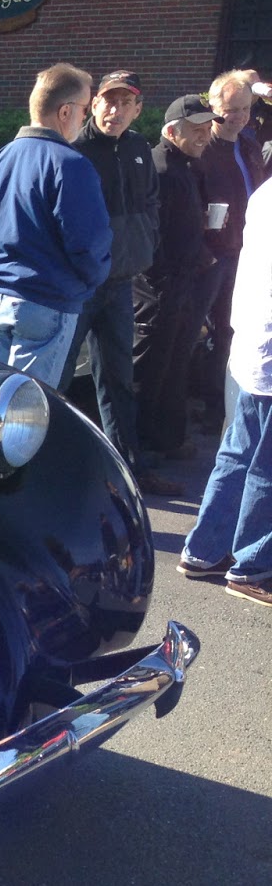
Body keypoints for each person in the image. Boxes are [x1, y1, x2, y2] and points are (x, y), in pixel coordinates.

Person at [0, 63, 111, 388]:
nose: (85, 118)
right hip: (46, 303)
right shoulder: (71, 165)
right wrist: (90, 282)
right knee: (28, 421)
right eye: (84, 110)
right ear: (65, 112)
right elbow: (88, 244)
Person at [71, 71, 171, 491]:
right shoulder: (74, 148)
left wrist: (146, 239)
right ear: (93, 104)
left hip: (120, 285)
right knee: (55, 378)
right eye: (107, 101)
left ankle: (127, 469)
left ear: (137, 108)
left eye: (124, 102)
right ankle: (44, 466)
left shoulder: (137, 149)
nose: (115, 110)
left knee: (118, 378)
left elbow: (150, 201)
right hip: (79, 285)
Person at [177, 175, 272, 606]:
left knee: (239, 453)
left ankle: (206, 550)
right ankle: (253, 565)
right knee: (264, 465)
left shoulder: (264, 192)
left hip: (253, 340)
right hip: (265, 346)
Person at [135, 94, 221, 464]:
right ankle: (141, 450)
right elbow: (152, 236)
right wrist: (167, 279)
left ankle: (166, 440)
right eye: (197, 130)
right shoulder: (160, 169)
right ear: (172, 131)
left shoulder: (183, 166)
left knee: (173, 368)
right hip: (159, 291)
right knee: (151, 371)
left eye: (207, 129)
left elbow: (175, 224)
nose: (205, 136)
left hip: (181, 285)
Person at [197, 70, 267, 432]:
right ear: (213, 106)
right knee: (200, 330)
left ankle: (219, 409)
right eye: (230, 108)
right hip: (211, 255)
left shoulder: (250, 146)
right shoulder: (203, 146)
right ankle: (204, 401)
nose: (237, 116)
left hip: (245, 255)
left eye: (243, 108)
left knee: (233, 332)